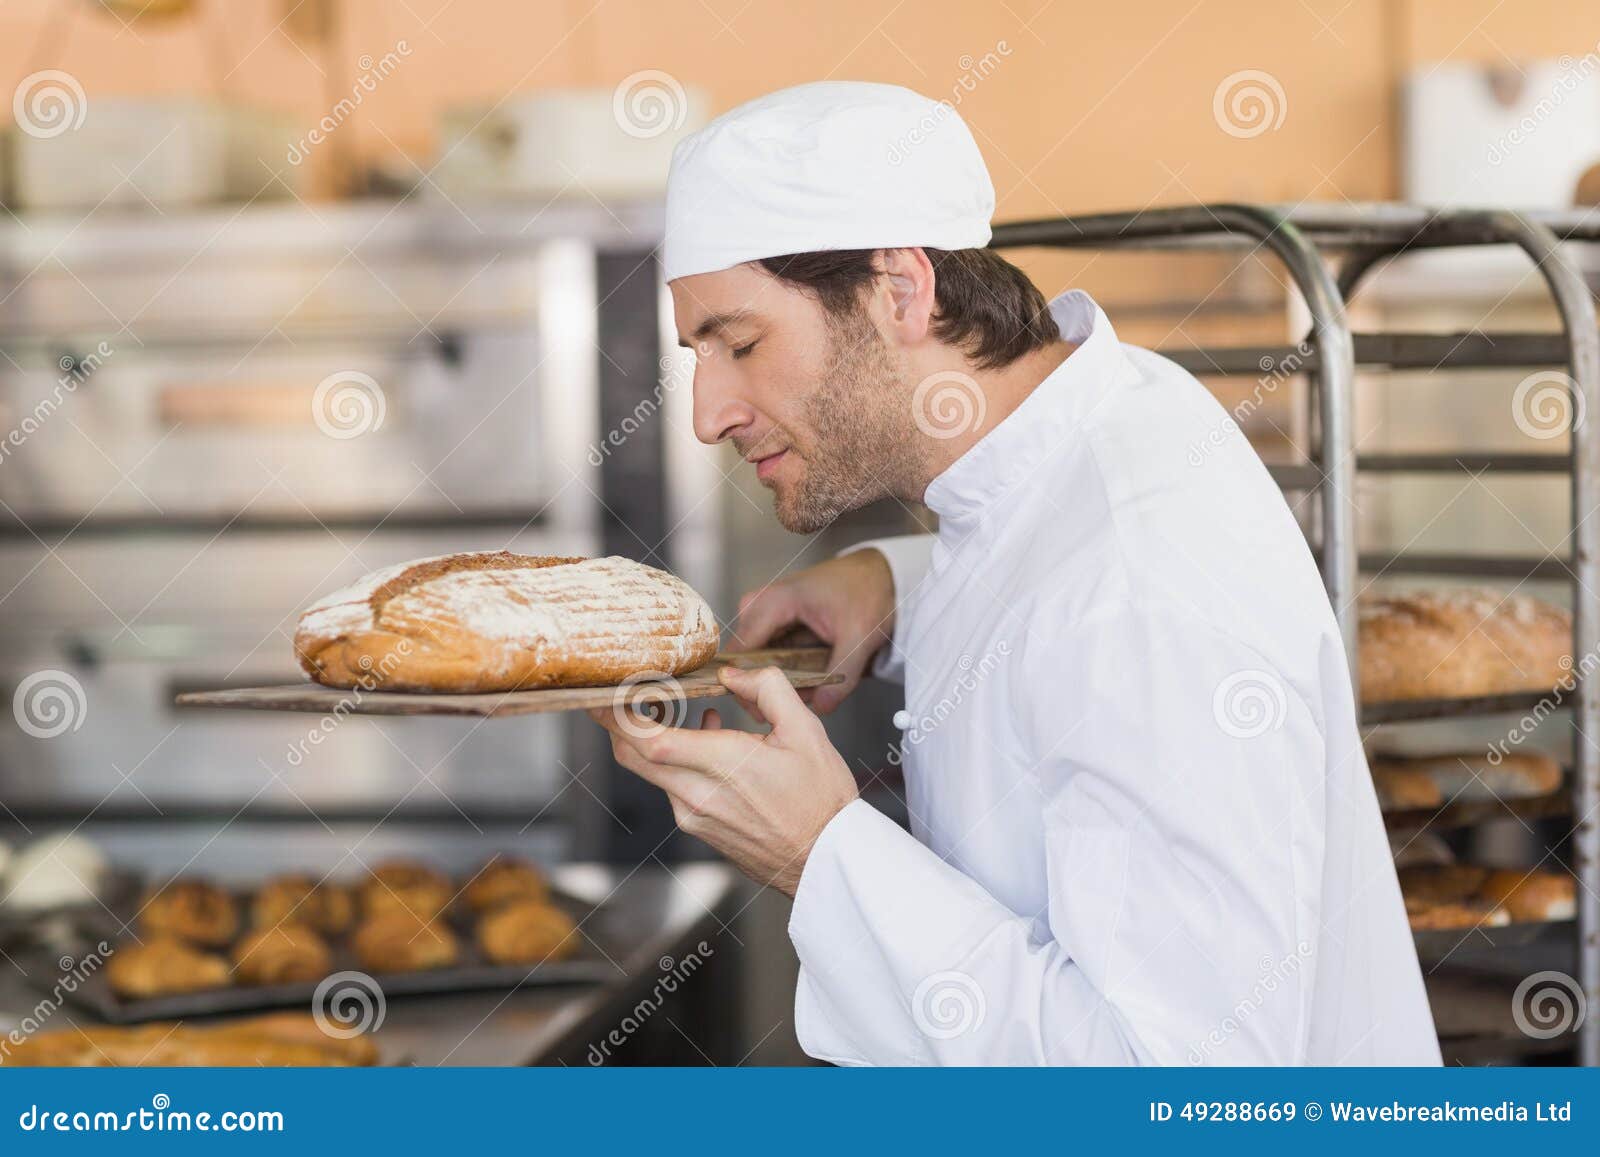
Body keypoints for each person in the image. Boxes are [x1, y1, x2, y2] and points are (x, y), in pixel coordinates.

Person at [590, 81, 1439, 1065]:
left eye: (740, 343)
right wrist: (900, 584)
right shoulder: (1087, 429)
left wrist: (823, 851)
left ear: (900, 290)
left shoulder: (1142, 577)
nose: (708, 412)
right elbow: (1040, 563)